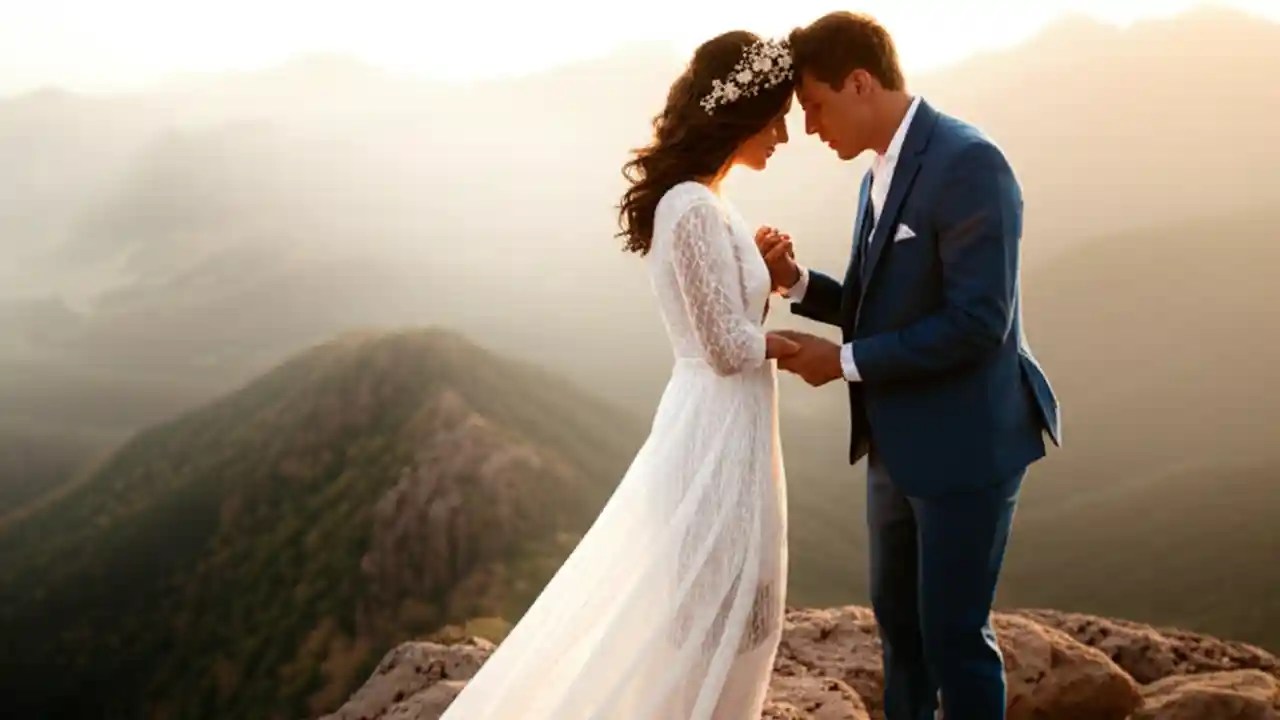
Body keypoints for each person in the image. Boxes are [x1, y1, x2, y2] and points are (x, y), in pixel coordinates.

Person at [440, 30, 800, 719]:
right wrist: (795, 346)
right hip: (714, 428)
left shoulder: (709, 201)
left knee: (741, 601)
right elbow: (725, 348)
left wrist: (765, 275)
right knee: (711, 611)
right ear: (743, 111)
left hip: (736, 421)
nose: (783, 135)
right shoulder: (691, 207)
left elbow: (725, 320)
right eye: (776, 117)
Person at [758, 12, 1062, 720]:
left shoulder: (969, 162)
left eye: (815, 105)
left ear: (860, 83)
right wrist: (796, 283)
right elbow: (882, 306)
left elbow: (979, 323)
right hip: (895, 443)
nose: (808, 126)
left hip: (967, 441)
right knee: (899, 632)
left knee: (954, 636)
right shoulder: (878, 171)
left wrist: (844, 362)